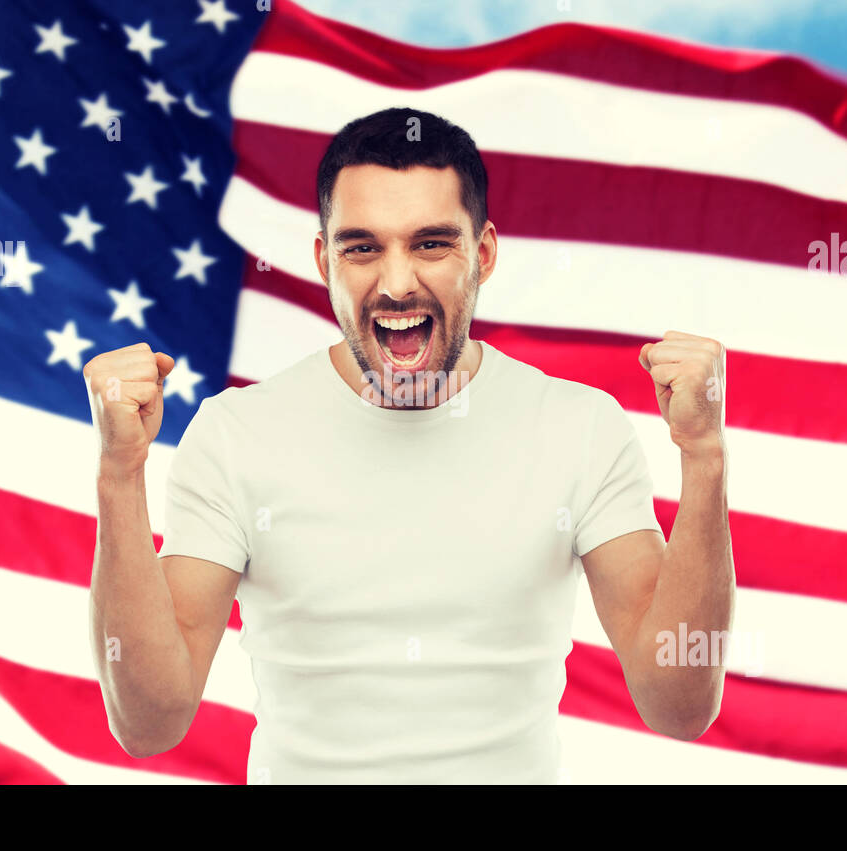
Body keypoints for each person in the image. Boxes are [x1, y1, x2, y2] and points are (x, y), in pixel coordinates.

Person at [84, 107, 735, 784]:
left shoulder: (580, 427)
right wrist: (119, 473)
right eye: (362, 248)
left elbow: (680, 704)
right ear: (324, 260)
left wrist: (704, 454)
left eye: (430, 244)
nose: (397, 284)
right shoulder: (235, 435)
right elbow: (149, 724)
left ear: (483, 254)